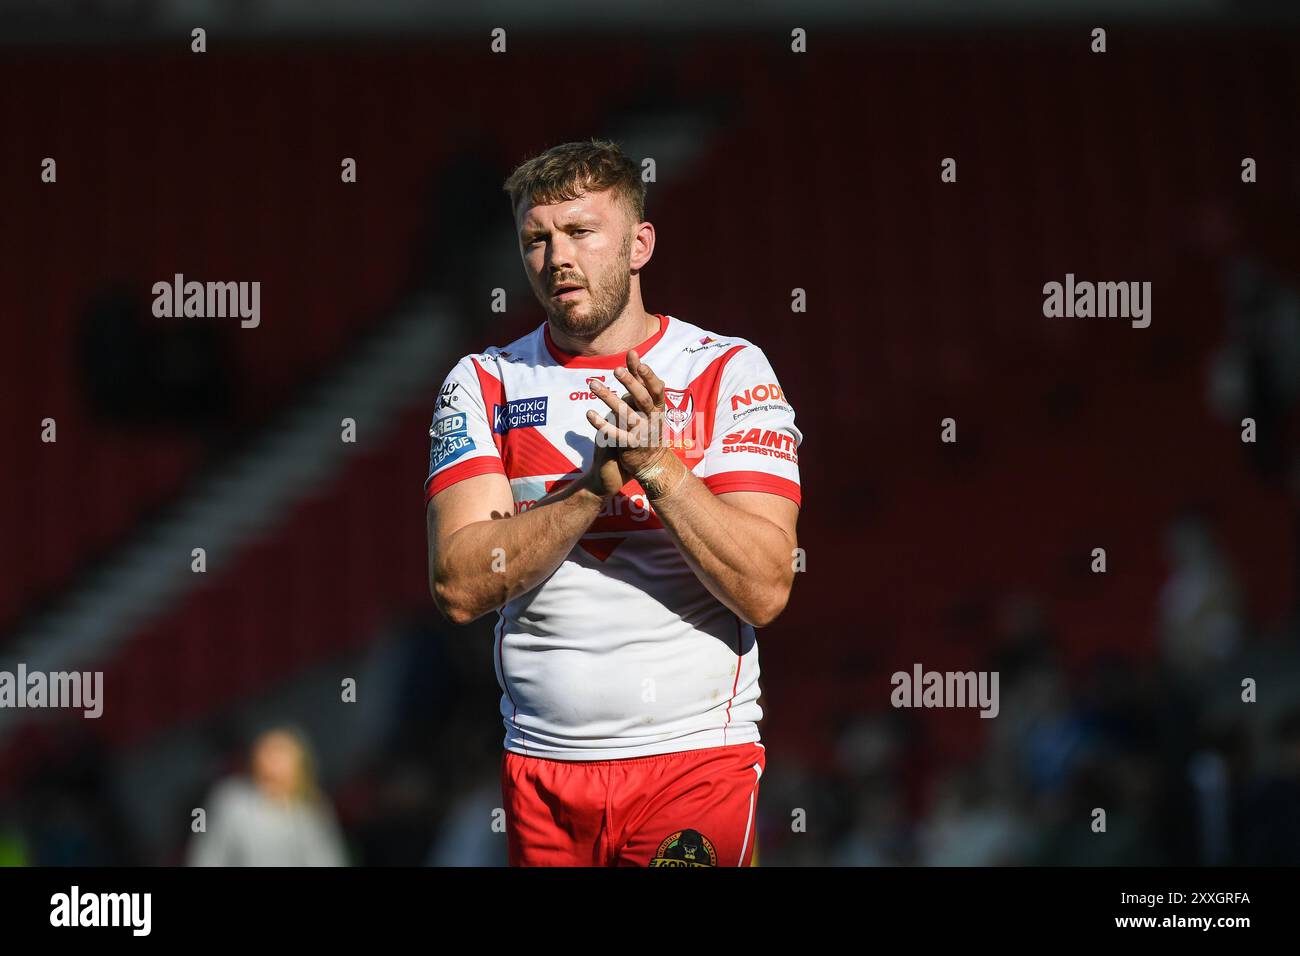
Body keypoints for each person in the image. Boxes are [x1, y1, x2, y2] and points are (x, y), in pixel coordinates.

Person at [424, 139, 802, 866]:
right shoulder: (484, 382)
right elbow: (459, 585)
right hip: (541, 772)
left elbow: (765, 587)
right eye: (536, 238)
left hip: (693, 762)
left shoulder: (726, 370)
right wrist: (591, 489)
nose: (557, 257)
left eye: (580, 232)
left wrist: (659, 466)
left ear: (639, 243)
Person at [187, 727, 347, 866]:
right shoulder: (232, 801)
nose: (274, 763)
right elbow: (208, 856)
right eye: (269, 753)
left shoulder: (312, 807)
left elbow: (326, 859)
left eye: (282, 755)